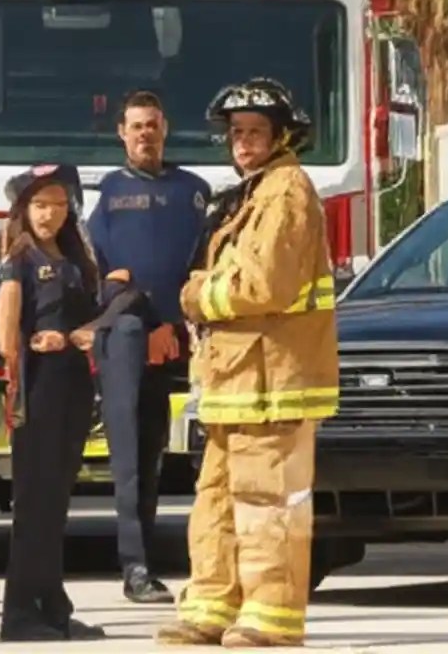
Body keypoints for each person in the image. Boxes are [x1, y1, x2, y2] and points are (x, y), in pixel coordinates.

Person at [155, 77, 338, 648]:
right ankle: (211, 604)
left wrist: (194, 295)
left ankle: (270, 617)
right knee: (216, 499)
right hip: (235, 380)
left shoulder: (285, 193)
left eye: (256, 131)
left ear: (281, 136)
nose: (243, 142)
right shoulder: (250, 194)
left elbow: (263, 285)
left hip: (273, 381)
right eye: (236, 132)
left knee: (267, 499)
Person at [85, 90, 210, 602]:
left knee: (155, 453)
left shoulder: (194, 191)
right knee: (129, 459)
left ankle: (158, 561)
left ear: (165, 129)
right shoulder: (110, 195)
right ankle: (134, 570)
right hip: (126, 341)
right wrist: (144, 318)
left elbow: (203, 263)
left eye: (153, 125)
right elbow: (103, 278)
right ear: (122, 132)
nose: (145, 134)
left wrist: (181, 324)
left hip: (180, 342)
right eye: (136, 126)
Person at [0, 164, 111, 642]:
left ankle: (53, 606)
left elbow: (93, 313)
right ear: (25, 209)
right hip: (36, 383)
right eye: (41, 205)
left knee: (57, 499)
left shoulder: (75, 256)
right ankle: (20, 613)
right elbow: (7, 324)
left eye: (59, 205)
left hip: (72, 384)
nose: (50, 215)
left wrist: (87, 333)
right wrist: (16, 362)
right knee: (34, 502)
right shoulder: (17, 256)